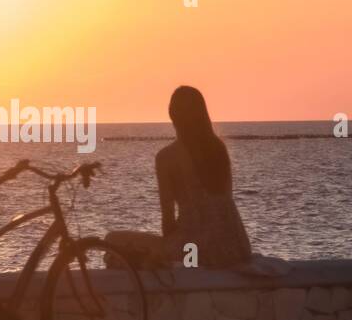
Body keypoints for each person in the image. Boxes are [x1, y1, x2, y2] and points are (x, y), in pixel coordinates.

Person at [108, 85, 254, 270]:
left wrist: (166, 248)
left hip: (196, 251)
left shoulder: (167, 157)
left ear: (172, 114)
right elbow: (226, 200)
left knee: (112, 240)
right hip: (237, 248)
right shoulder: (218, 148)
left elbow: (167, 221)